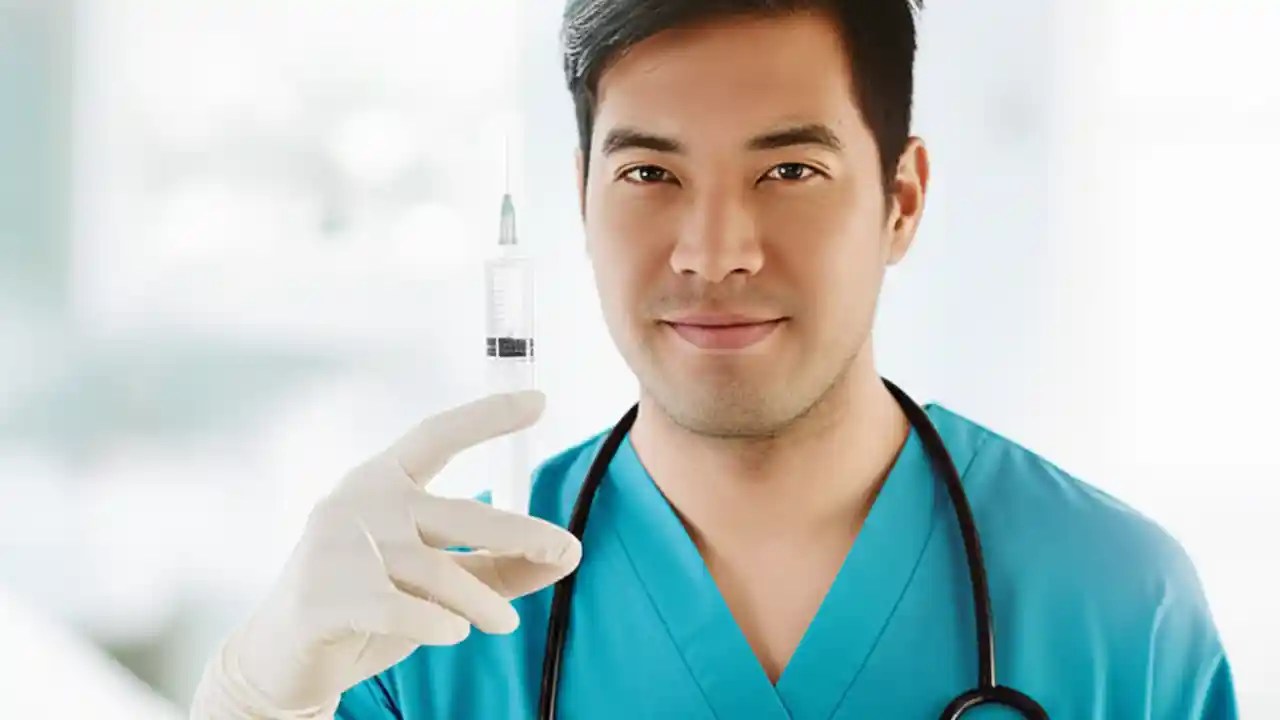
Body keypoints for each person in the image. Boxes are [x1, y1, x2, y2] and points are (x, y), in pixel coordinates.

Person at [190, 1, 1238, 718]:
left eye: (788, 168)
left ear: (901, 199)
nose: (713, 252)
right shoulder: (431, 632)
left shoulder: (1113, 604)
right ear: (581, 200)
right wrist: (253, 693)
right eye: (649, 171)